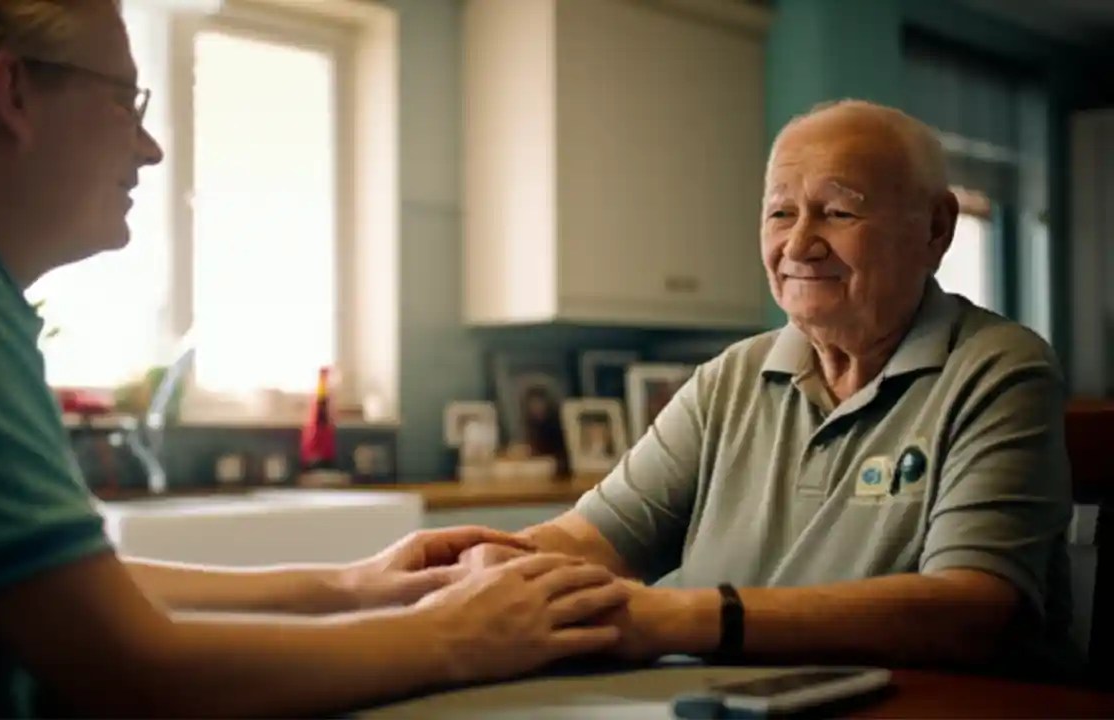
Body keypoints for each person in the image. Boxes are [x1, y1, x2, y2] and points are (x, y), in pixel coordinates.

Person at [0, 2, 629, 717]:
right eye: (124, 98)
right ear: (13, 92)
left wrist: (355, 588)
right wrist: (457, 635)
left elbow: (78, 597)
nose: (148, 147)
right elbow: (131, 672)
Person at [462, 100, 1081, 681]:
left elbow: (970, 609)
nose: (800, 245)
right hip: (735, 702)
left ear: (936, 229)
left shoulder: (999, 369)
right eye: (781, 212)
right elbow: (591, 540)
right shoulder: (729, 378)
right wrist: (488, 564)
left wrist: (683, 619)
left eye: (839, 212)